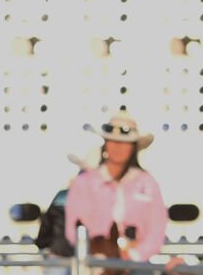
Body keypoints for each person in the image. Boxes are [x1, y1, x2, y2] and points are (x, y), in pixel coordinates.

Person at [65, 111, 168, 263]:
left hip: (138, 263)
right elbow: (74, 227)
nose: (117, 147)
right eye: (112, 141)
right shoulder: (85, 182)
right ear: (105, 144)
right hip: (95, 262)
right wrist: (100, 255)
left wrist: (135, 255)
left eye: (124, 142)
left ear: (133, 147)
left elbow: (157, 227)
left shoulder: (147, 182)